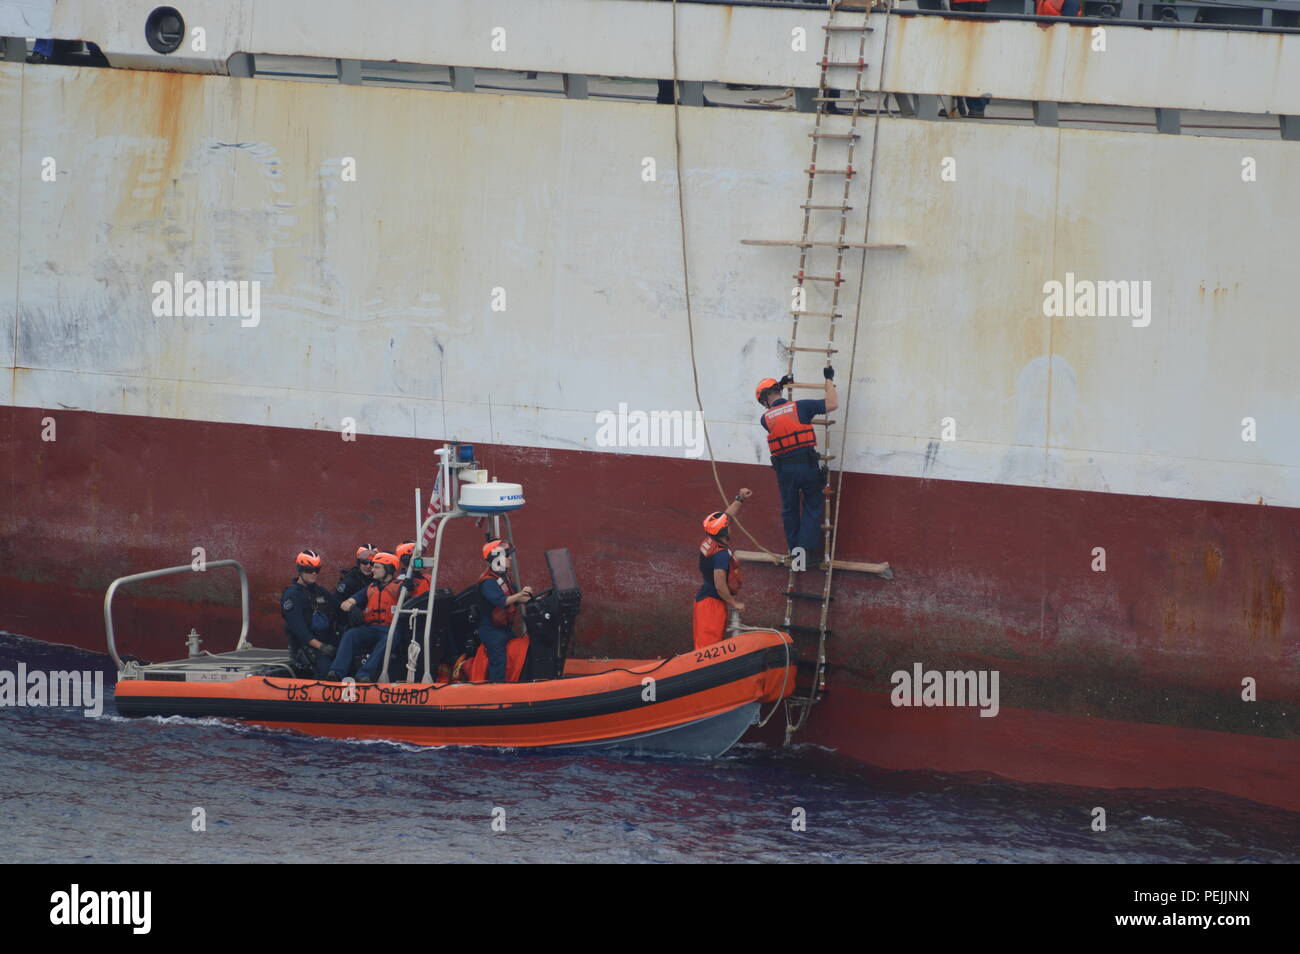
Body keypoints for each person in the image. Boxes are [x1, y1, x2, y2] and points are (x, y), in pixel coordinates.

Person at [755, 365, 837, 566]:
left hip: (785, 472)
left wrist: (780, 385)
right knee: (812, 506)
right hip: (808, 467)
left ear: (765, 399)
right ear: (778, 391)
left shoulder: (764, 419)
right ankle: (806, 552)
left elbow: (778, 412)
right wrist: (828, 379)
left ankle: (796, 554)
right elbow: (832, 404)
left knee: (790, 511)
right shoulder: (801, 407)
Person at [328, 552, 403, 682]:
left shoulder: (400, 587)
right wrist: (352, 607)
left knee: (391, 637)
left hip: (389, 629)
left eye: (377, 567)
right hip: (371, 629)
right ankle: (336, 672)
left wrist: (409, 588)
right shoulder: (370, 588)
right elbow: (344, 604)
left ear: (389, 569)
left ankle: (364, 674)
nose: (372, 569)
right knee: (351, 634)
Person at [693, 490, 751, 649]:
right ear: (724, 532)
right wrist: (734, 603)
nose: (730, 525)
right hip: (711, 605)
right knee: (708, 648)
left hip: (707, 599)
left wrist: (739, 499)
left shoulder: (712, 539)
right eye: (727, 526)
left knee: (709, 644)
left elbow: (727, 516)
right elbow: (720, 584)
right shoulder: (721, 555)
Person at [475, 540, 533, 683]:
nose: (510, 559)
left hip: (503, 628)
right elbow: (502, 601)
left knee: (517, 652)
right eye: (507, 556)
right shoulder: (488, 582)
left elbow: (515, 598)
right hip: (491, 630)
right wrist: (520, 595)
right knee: (499, 659)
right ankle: (496, 688)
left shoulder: (503, 578)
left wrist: (533, 598)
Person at [281, 549, 337, 678]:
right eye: (309, 570)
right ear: (300, 570)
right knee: (326, 671)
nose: (313, 573)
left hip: (326, 642)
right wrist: (321, 647)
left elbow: (338, 607)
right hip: (307, 647)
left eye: (316, 570)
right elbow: (298, 629)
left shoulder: (320, 591)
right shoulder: (292, 596)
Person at [333, 544, 377, 622]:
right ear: (359, 563)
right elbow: (336, 602)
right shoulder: (350, 580)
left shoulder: (379, 579)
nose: (368, 566)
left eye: (372, 563)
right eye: (364, 562)